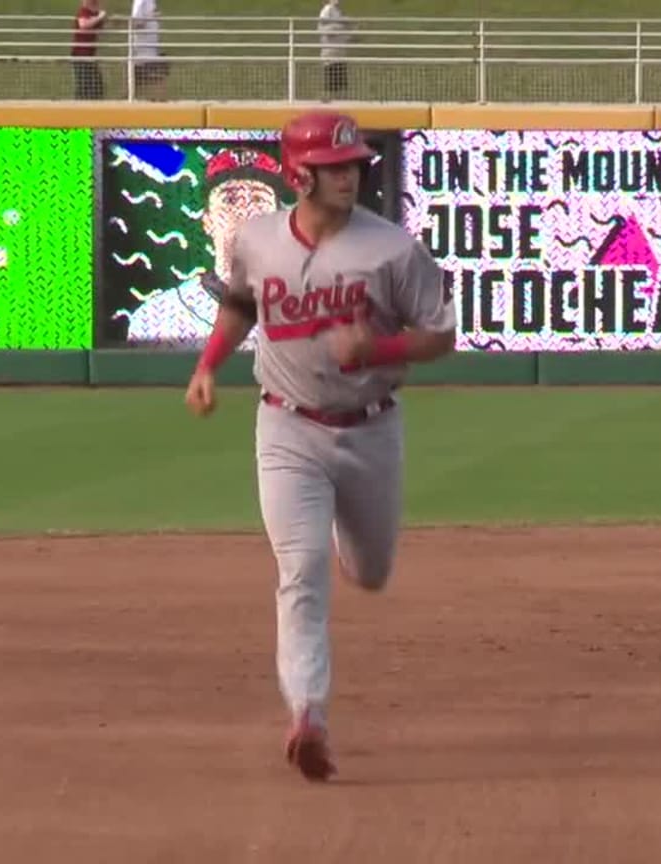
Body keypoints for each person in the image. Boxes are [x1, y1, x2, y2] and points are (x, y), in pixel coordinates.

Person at [184, 110, 457, 782]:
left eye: (355, 163)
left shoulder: (392, 250)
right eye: (336, 166)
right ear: (299, 173)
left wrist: (380, 346)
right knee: (300, 571)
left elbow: (441, 336)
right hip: (286, 427)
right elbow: (242, 304)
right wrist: (209, 363)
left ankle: (345, 539)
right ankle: (308, 714)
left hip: (371, 427)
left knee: (368, 571)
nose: (351, 175)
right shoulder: (260, 241)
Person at [123, 148, 283, 346]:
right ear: (207, 222)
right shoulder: (156, 319)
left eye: (259, 199)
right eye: (230, 200)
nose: (245, 212)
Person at [129, 0, 169, 100]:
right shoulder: (140, 1)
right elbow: (135, 23)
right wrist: (151, 17)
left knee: (135, 86)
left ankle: (158, 103)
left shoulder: (151, 2)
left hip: (152, 51)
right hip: (143, 54)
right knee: (159, 79)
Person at [70, 0, 108, 100]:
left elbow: (101, 31)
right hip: (80, 54)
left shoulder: (95, 13)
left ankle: (95, 104)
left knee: (96, 84)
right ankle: (79, 106)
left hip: (90, 54)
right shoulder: (83, 11)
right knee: (83, 84)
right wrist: (99, 17)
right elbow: (83, 25)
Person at [318, 0, 352, 99]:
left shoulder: (337, 11)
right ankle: (329, 103)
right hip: (330, 53)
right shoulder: (327, 10)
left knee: (340, 84)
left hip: (339, 53)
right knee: (331, 83)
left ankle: (339, 103)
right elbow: (324, 29)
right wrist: (341, 25)